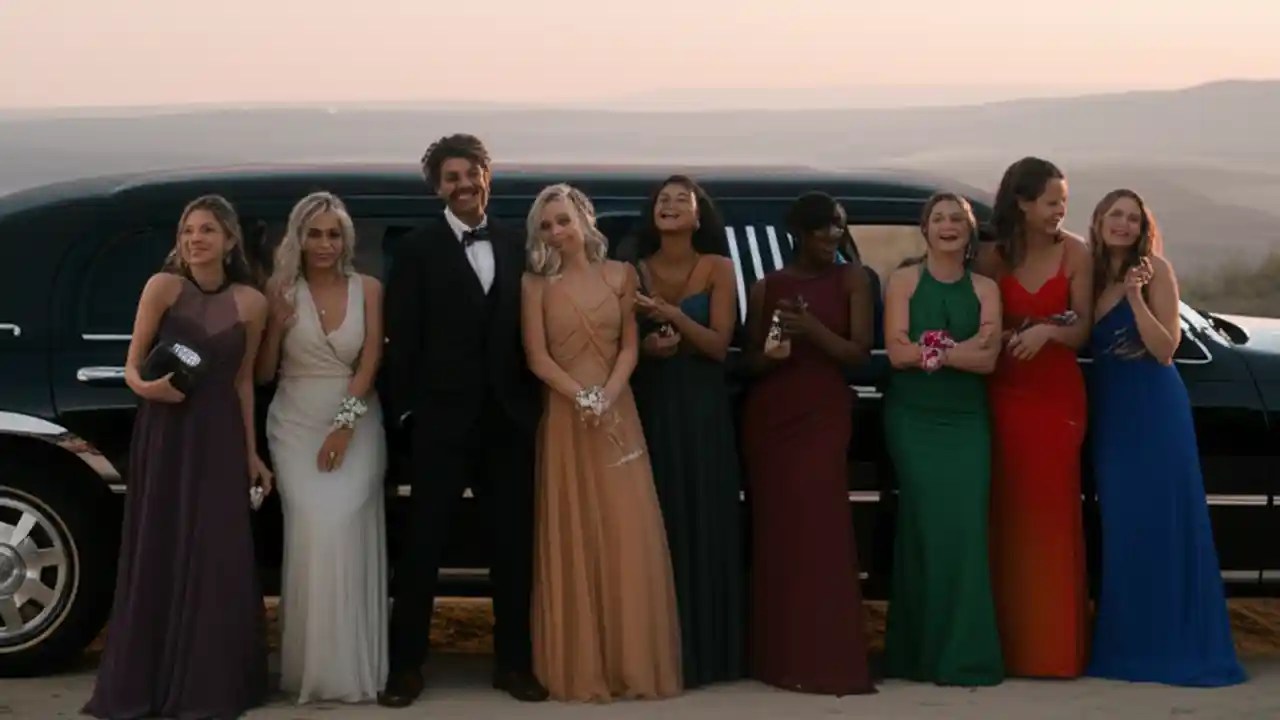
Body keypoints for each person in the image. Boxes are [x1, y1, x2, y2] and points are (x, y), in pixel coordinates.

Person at [83, 195, 271, 719]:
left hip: (218, 435)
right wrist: (149, 389)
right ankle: (149, 675)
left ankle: (210, 680)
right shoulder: (162, 287)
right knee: (160, 544)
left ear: (230, 241)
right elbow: (132, 366)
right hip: (166, 432)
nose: (195, 239)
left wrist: (252, 455)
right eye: (188, 231)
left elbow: (243, 384)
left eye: (208, 230)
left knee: (217, 550)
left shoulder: (252, 303)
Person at [380, 134, 546, 706]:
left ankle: (514, 664)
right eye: (450, 177)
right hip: (441, 424)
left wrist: (529, 410)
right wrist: (410, 413)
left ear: (487, 177)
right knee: (422, 548)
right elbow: (400, 340)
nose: (463, 185)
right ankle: (405, 668)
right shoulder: (416, 249)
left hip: (507, 424)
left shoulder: (517, 244)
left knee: (512, 549)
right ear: (437, 188)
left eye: (470, 173)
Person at [521, 183, 683, 702]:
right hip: (566, 416)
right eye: (546, 226)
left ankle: (632, 664)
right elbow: (537, 357)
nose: (555, 232)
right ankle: (583, 663)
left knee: (626, 531)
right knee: (574, 531)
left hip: (618, 415)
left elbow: (630, 348)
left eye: (563, 220)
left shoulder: (621, 276)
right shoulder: (534, 285)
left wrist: (608, 394)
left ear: (584, 221)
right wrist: (581, 397)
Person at [1083, 189, 1246, 687]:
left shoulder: (1155, 271)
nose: (1124, 225)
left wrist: (1135, 297)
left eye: (1133, 218)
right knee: (1124, 527)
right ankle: (1127, 644)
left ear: (1143, 227)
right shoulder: (1087, 272)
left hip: (1154, 409)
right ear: (1100, 219)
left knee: (1164, 523)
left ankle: (1174, 644)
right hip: (1110, 412)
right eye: (1116, 215)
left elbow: (1166, 348)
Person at [741, 191, 876, 696]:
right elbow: (749, 362)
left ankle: (826, 655)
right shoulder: (766, 287)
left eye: (838, 226)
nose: (832, 237)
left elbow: (859, 353)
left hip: (824, 413)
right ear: (797, 232)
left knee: (822, 528)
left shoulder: (853, 279)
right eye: (821, 228)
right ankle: (778, 657)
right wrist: (774, 350)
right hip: (772, 416)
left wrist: (812, 329)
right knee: (779, 531)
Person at [256, 191, 389, 703]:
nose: (325, 243)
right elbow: (266, 372)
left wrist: (345, 425)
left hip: (355, 416)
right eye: (315, 233)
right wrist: (280, 327)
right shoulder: (279, 290)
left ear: (347, 239)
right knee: (313, 532)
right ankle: (309, 669)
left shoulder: (369, 289)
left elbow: (371, 361)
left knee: (347, 526)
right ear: (299, 237)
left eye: (334, 233)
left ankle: (356, 667)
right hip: (293, 422)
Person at [974, 156, 1093, 678]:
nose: (1060, 212)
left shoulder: (1077, 254)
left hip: (1055, 396)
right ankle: (1006, 647)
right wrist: (998, 338)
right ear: (1022, 203)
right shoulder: (993, 256)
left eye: (1063, 202)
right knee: (1008, 516)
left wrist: (1048, 332)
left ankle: (1052, 651)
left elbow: (1083, 327)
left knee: (1051, 518)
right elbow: (974, 318)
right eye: (1051, 202)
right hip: (1004, 393)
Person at [628, 175, 746, 688]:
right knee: (658, 519)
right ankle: (659, 650)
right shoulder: (631, 271)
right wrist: (648, 351)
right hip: (650, 408)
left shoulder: (719, 268)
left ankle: (710, 653)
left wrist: (672, 314)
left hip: (702, 409)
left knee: (705, 515)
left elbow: (721, 345)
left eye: (682, 200)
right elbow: (620, 347)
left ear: (700, 216)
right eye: (663, 200)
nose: (671, 205)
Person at [881, 192, 1004, 686]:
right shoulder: (904, 281)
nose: (948, 226)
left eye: (958, 219)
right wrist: (958, 350)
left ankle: (964, 655)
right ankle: (917, 653)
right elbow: (895, 352)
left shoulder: (986, 289)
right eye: (938, 219)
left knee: (966, 531)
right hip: (914, 420)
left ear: (970, 231)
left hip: (967, 422)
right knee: (925, 529)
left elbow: (989, 359)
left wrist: (931, 349)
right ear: (925, 229)